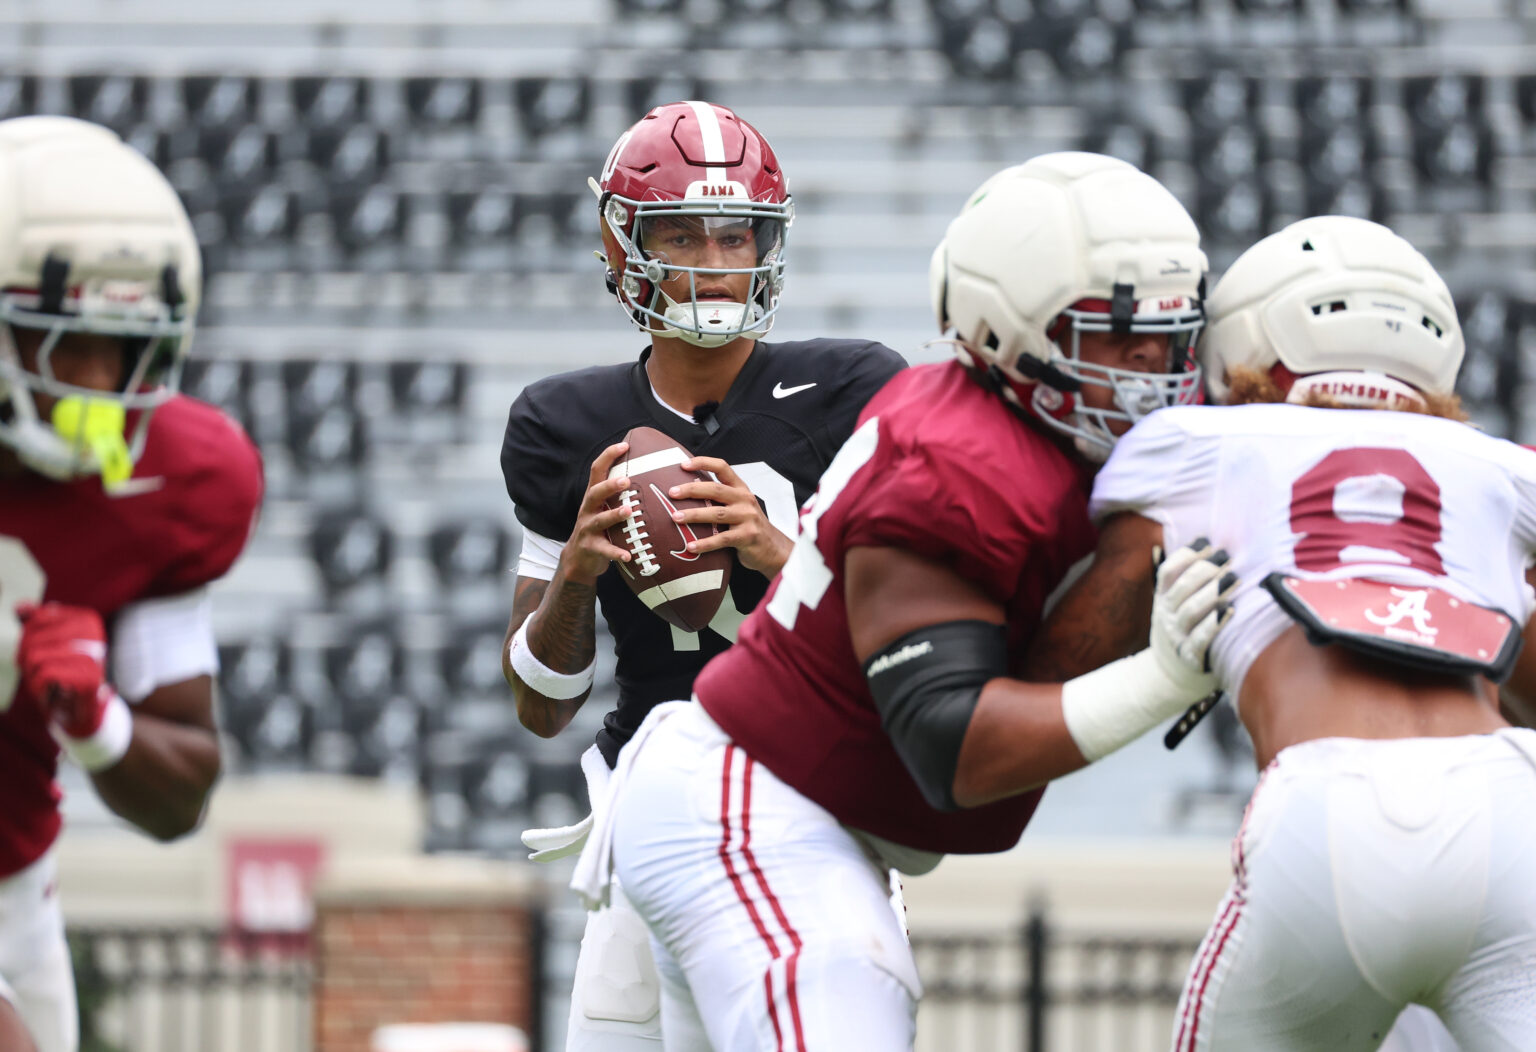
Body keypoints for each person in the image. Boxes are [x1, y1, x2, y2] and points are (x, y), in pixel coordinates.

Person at [570, 152, 1238, 1049]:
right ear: (1011, 331)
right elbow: (953, 749)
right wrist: (1161, 678)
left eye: (1171, 340)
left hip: (797, 812)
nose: (1151, 372)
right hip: (751, 809)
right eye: (1114, 340)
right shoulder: (959, 464)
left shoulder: (1019, 427)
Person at [1028, 214, 1536, 1051]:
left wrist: (1162, 666)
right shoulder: (1503, 469)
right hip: (1510, 802)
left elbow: (1058, 669)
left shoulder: (1194, 444)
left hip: (1333, 812)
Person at [498, 100, 906, 1050]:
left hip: (815, 811)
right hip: (649, 818)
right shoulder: (565, 423)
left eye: (736, 235)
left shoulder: (856, 390)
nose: (712, 261)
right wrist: (574, 573)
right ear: (621, 240)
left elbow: (904, 643)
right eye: (682, 233)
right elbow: (539, 706)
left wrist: (781, 558)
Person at [0, 117, 263, 1052]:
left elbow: (181, 785)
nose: (101, 384)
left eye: (125, 344)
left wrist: (96, 716)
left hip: (12, 879)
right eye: (66, 342)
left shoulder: (169, 483)